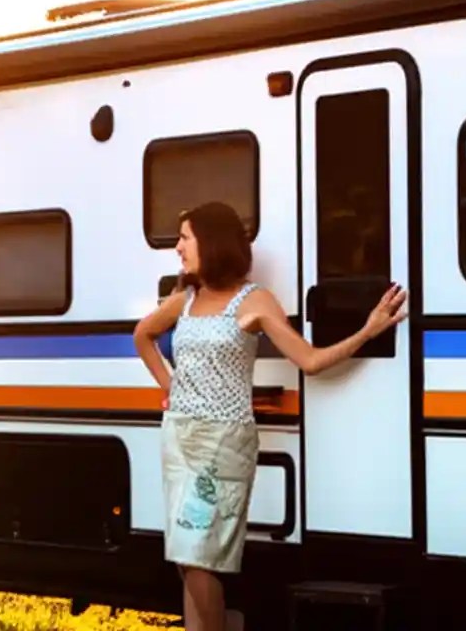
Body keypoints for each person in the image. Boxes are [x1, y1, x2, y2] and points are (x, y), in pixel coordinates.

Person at [132, 201, 408, 631]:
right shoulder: (186, 298)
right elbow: (143, 335)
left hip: (222, 444)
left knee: (199, 558)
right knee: (185, 559)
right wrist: (171, 388)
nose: (178, 248)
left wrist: (369, 330)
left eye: (185, 238)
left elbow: (310, 360)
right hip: (179, 439)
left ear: (212, 241)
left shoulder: (254, 300)